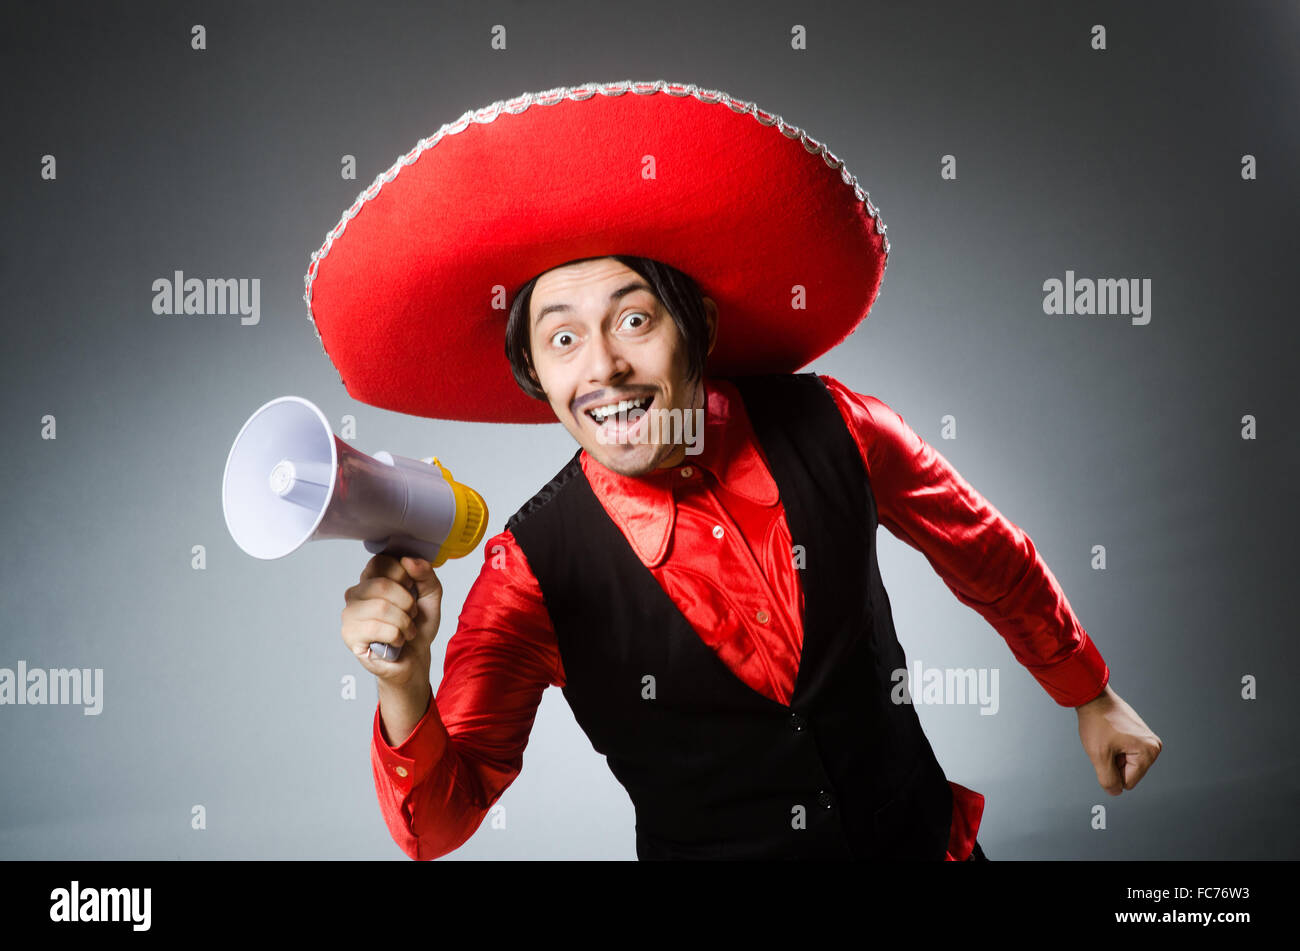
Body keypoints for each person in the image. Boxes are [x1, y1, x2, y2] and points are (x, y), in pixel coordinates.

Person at [307, 81, 1162, 860]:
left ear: (700, 326)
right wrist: (403, 684)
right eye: (563, 338)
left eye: (633, 319)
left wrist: (1087, 690)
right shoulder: (528, 573)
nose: (601, 367)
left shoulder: (838, 422)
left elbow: (982, 550)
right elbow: (438, 826)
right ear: (539, 379)